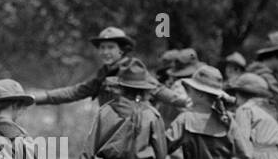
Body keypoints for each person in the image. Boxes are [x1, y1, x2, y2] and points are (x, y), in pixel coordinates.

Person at [30, 27, 188, 109]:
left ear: (121, 50)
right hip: (110, 132)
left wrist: (185, 102)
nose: (105, 52)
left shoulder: (133, 69)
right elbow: (74, 92)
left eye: (110, 47)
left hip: (133, 132)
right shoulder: (103, 75)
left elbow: (158, 90)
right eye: (102, 47)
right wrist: (35, 98)